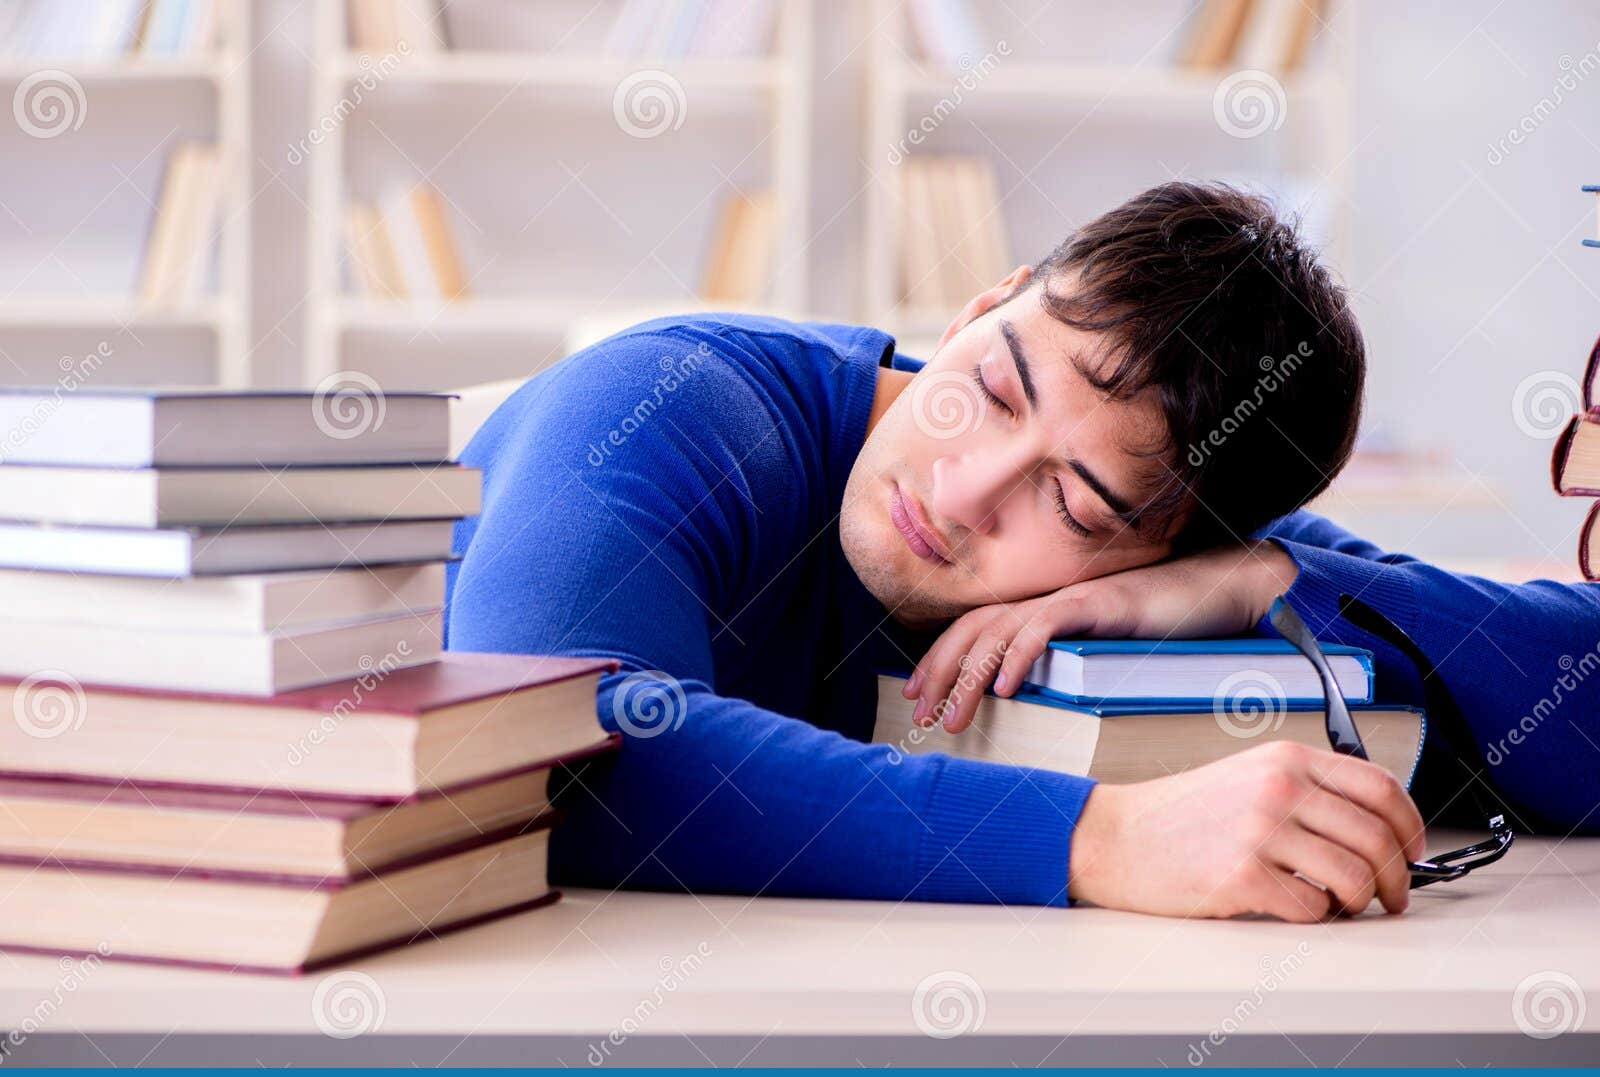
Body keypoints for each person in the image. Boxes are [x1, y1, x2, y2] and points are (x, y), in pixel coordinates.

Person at [445, 181, 1600, 924]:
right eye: (993, 390)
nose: (961, 490)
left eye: (1080, 507)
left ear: (1168, 545)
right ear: (981, 307)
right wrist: (1099, 840)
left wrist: (1268, 582)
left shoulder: (1196, 548)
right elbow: (553, 754)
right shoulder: (670, 399)